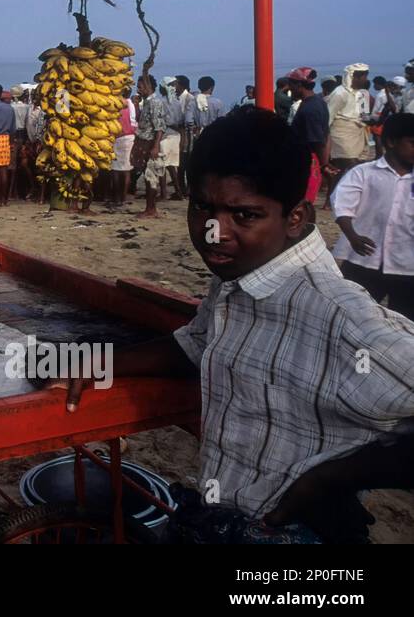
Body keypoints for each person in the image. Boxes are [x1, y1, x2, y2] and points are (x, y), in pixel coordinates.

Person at [65, 107, 414, 544]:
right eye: (202, 208)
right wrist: (92, 360)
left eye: (244, 215)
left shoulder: (339, 315)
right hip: (222, 516)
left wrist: (333, 479)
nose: (214, 232)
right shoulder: (239, 282)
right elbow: (194, 345)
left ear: (295, 219)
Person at [330, 113, 414, 318]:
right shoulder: (364, 173)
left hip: (407, 264)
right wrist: (352, 236)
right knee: (352, 315)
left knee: (406, 320)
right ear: (392, 142)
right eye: (412, 143)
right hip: (364, 259)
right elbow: (342, 204)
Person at [324, 64, 371, 205]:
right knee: (352, 165)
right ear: (353, 76)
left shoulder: (363, 94)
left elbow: (364, 115)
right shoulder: (339, 93)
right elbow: (328, 117)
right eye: (362, 76)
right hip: (341, 134)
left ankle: (331, 199)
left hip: (357, 132)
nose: (365, 79)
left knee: (342, 170)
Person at [286, 67, 330, 207]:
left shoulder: (309, 110)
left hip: (308, 163)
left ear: (299, 85)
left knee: (303, 203)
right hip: (311, 162)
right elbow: (327, 134)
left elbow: (318, 141)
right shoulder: (318, 102)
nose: (289, 88)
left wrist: (324, 166)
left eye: (291, 84)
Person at [132, 73, 167, 219]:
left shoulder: (155, 102)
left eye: (140, 87)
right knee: (147, 176)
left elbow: (159, 126)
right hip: (143, 140)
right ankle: (150, 207)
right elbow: (143, 120)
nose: (138, 90)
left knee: (151, 175)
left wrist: (155, 146)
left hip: (150, 142)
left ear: (149, 87)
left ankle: (151, 209)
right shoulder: (146, 102)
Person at [163, 75, 196, 199]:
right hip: (177, 131)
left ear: (181, 85)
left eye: (175, 84)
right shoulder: (176, 98)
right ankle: (181, 188)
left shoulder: (189, 98)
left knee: (185, 162)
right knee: (180, 163)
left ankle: (186, 188)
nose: (173, 87)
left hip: (185, 132)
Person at [109, 84, 136, 208]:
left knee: (115, 170)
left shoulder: (116, 105)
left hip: (117, 138)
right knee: (126, 170)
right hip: (130, 137)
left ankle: (117, 197)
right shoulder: (132, 106)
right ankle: (123, 198)